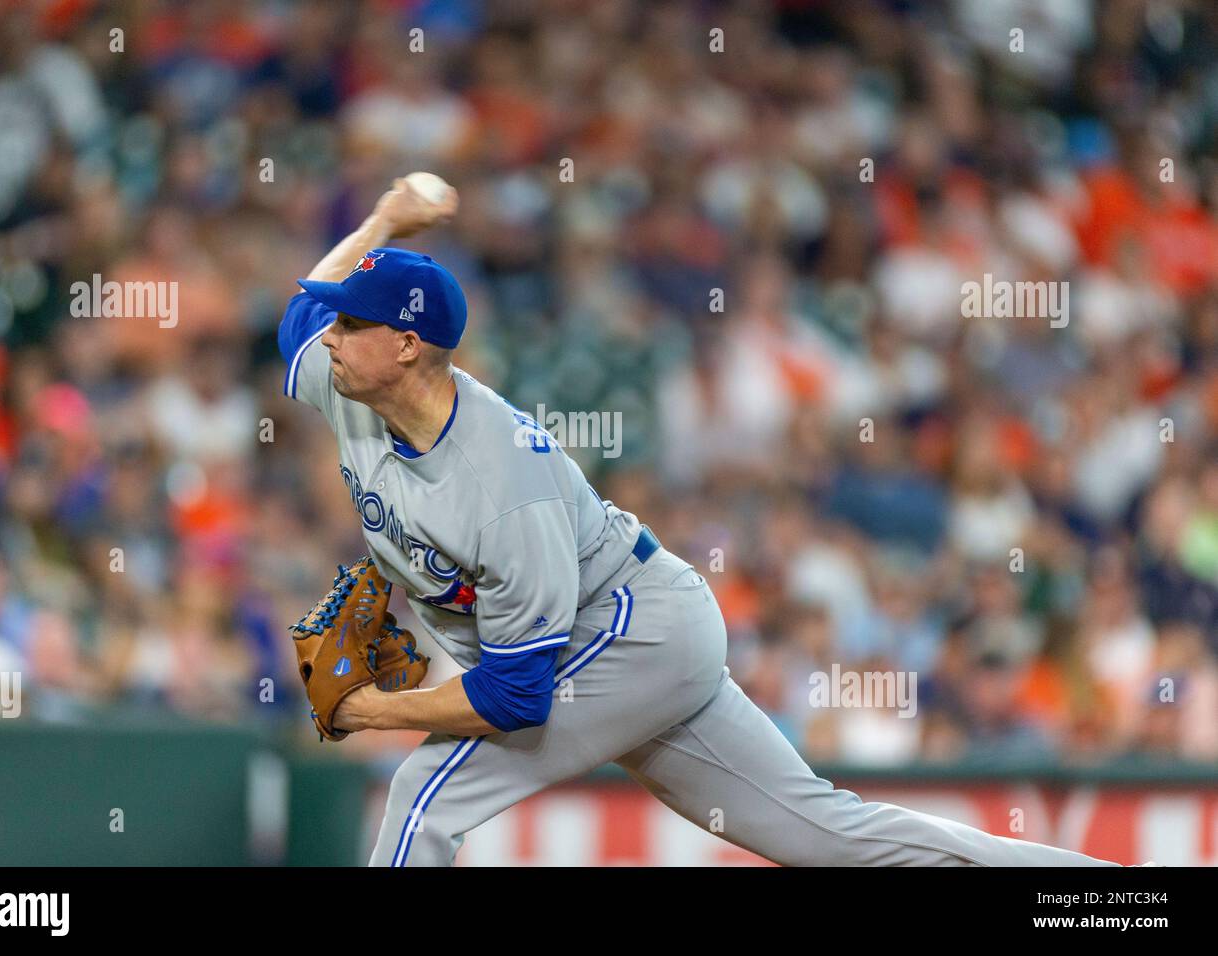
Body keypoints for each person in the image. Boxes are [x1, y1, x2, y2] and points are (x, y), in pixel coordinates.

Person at [277, 177, 1122, 867]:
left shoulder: (504, 482)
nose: (333, 338)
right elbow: (294, 324)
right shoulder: (348, 380)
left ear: (409, 347)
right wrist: (385, 218)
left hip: (628, 631)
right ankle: (1118, 897)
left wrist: (368, 712)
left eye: (353, 323)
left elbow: (517, 697)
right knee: (829, 840)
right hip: (605, 642)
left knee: (424, 796)